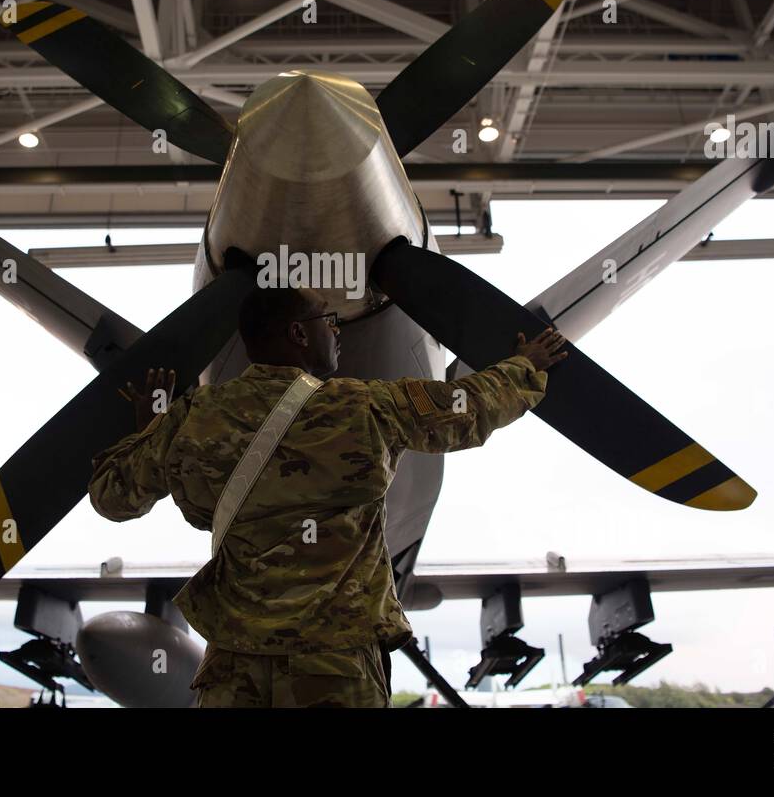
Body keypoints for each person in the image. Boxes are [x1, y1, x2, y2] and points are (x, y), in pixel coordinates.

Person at [89, 285, 568, 707]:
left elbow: (114, 497)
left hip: (235, 669)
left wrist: (150, 428)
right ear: (299, 334)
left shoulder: (194, 417)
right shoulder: (362, 407)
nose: (336, 331)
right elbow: (467, 410)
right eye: (328, 320)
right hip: (336, 666)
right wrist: (526, 367)